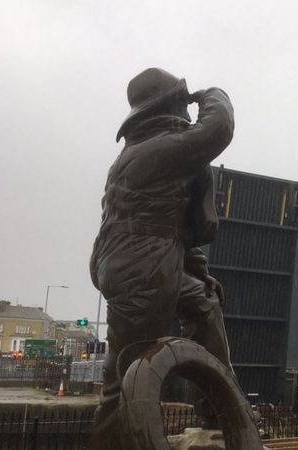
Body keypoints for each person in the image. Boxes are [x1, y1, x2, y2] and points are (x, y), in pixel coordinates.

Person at [89, 67, 235, 448]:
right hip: (141, 267)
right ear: (170, 107)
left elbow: (177, 229)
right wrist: (208, 94)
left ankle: (216, 413)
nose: (188, 115)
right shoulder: (159, 149)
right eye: (182, 105)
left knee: (205, 305)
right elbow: (217, 128)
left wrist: (200, 274)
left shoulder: (156, 152)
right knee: (130, 371)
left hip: (150, 259)